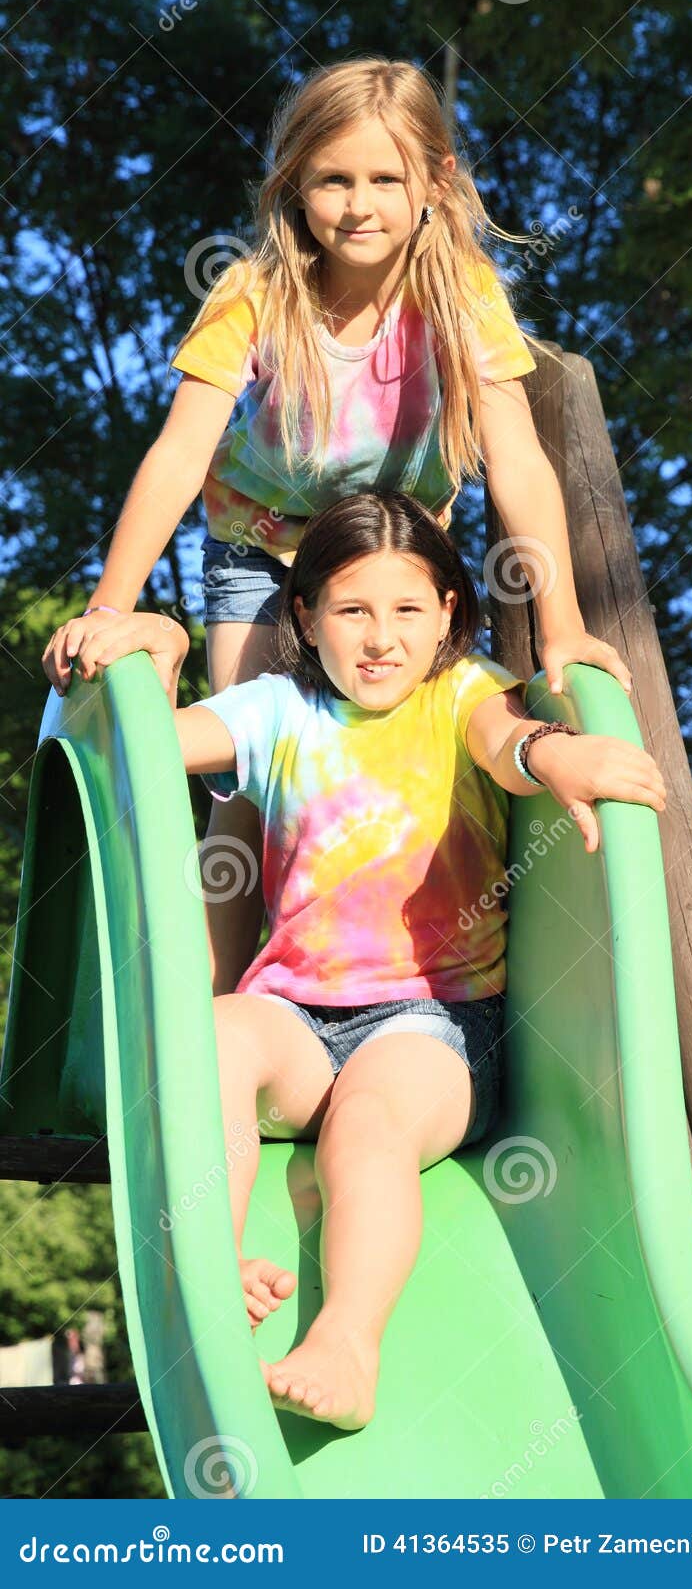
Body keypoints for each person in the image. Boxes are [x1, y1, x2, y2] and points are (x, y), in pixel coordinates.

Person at [68, 491, 665, 1433]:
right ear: (304, 618)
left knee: (371, 1126)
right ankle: (212, 1271)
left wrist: (553, 753)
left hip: (433, 1032)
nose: (380, 638)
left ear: (448, 620)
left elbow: (505, 745)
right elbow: (144, 751)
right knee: (212, 1034)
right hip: (298, 1025)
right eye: (351, 610)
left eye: (406, 611)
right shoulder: (277, 711)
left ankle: (348, 1341)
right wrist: (157, 651)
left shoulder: (465, 695)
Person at [41, 56, 632, 1001]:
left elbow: (515, 459)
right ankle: (215, 1019)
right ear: (296, 188)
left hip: (388, 571)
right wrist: (114, 604)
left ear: (434, 181)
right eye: (333, 179)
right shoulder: (255, 297)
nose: (359, 204)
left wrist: (559, 625)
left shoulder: (461, 295)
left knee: (404, 759)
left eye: (385, 178)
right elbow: (181, 451)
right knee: (247, 782)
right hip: (263, 559)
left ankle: (385, 985)